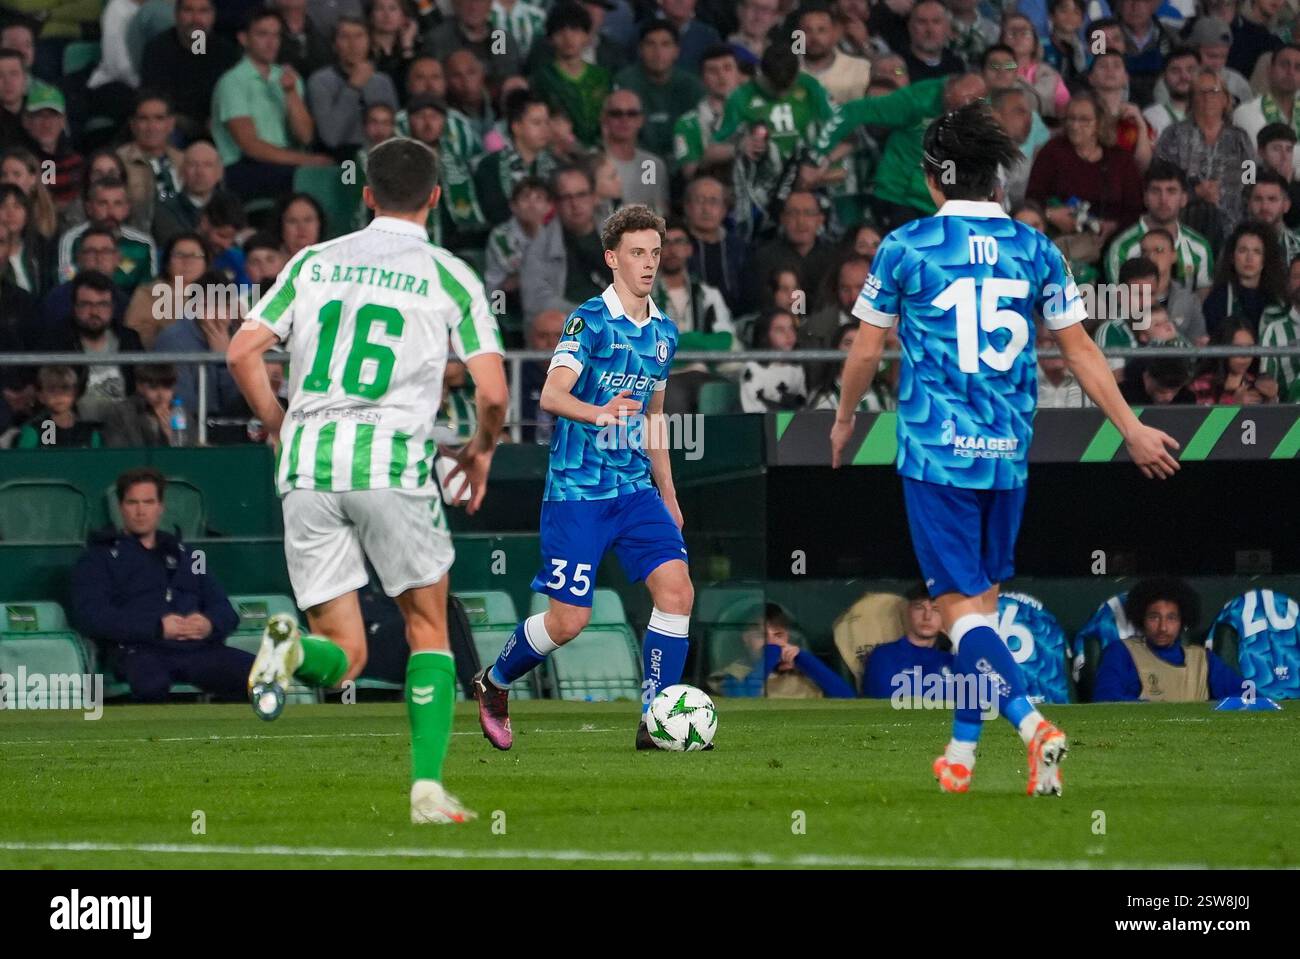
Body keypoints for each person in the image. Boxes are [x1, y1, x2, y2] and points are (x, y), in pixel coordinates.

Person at [830, 101, 1181, 796]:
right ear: (996, 181)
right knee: (979, 614)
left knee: (960, 614)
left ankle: (1030, 723)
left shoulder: (906, 246)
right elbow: (1079, 350)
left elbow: (867, 348)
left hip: (937, 454)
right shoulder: (1036, 248)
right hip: (1006, 453)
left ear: (935, 179)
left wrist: (843, 419)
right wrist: (1131, 427)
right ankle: (961, 751)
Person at [227, 136, 508, 825]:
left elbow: (242, 349)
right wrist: (480, 450)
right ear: (437, 199)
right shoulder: (449, 275)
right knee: (426, 627)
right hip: (389, 459)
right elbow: (494, 394)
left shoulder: (315, 260)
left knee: (346, 654)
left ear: (367, 194)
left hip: (307, 462)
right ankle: (426, 790)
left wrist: (276, 420)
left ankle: (289, 652)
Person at [473, 204, 697, 752]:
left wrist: (668, 492)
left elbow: (654, 416)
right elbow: (550, 395)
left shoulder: (665, 333)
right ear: (612, 258)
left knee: (677, 592)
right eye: (637, 253)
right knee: (569, 620)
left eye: (654, 253)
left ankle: (655, 721)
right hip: (578, 493)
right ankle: (494, 682)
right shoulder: (588, 321)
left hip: (636, 491)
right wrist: (599, 412)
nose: (648, 264)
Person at [71, 468, 248, 702]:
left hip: (198, 649)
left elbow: (224, 609)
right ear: (121, 507)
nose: (140, 511)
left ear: (160, 507)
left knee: (256, 675)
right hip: (140, 651)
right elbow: (93, 616)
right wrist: (156, 627)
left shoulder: (191, 556)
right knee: (150, 683)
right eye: (132, 502)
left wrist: (209, 624)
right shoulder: (98, 558)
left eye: (148, 502)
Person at [1093, 577, 1247, 701]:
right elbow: (1106, 699)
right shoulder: (1121, 652)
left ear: (1182, 621)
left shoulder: (1203, 660)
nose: (1163, 627)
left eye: (1171, 618)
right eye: (1154, 617)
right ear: (1142, 619)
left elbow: (1247, 696)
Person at [713, 603, 857, 698]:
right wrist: (770, 656)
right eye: (761, 636)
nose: (770, 643)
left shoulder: (803, 672)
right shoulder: (736, 671)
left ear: (787, 638)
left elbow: (847, 698)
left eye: (778, 635)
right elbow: (742, 699)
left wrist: (803, 659)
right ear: (746, 639)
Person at [1203, 220, 1290, 338]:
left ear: (1265, 259)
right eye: (1243, 250)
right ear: (1232, 257)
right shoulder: (1217, 300)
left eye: (1257, 252)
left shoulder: (1278, 300)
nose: (1249, 258)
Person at [863, 586, 952, 699]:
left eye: (936, 609)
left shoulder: (952, 660)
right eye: (919, 607)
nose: (927, 616)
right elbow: (884, 708)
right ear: (908, 611)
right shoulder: (885, 656)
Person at [1190, 318, 1281, 403]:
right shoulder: (1200, 384)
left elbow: (1270, 419)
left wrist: (1272, 398)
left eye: (1250, 348)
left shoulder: (1256, 384)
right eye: (1238, 349)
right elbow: (1198, 419)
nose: (1245, 356)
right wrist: (1234, 404)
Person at [15, 365, 105, 449]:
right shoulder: (33, 431)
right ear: (41, 396)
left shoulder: (89, 433)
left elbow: (98, 462)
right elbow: (23, 463)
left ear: (75, 393)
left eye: (65, 388)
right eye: (51, 389)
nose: (59, 395)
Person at [102, 363, 179, 447]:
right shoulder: (120, 413)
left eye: (167, 387)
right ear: (139, 386)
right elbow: (117, 454)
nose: (161, 395)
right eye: (153, 387)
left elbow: (188, 456)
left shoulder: (180, 414)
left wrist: (172, 437)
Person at [1260, 253, 1300, 400]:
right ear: (1288, 283)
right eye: (1297, 276)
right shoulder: (1274, 330)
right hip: (1289, 418)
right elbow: (1266, 385)